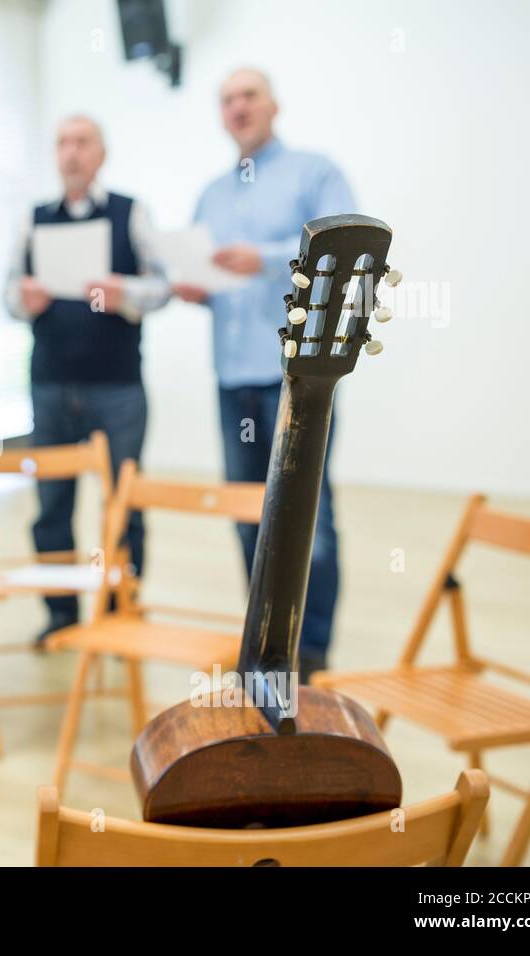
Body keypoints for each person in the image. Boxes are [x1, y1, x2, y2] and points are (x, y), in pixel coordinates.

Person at [173, 68, 356, 679]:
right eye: (226, 99)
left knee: (310, 514)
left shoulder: (314, 172)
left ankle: (312, 649)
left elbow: (345, 248)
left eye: (248, 94)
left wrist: (269, 257)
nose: (238, 107)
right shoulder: (210, 194)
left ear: (274, 104)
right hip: (231, 377)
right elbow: (209, 271)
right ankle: (268, 640)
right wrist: (198, 287)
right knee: (247, 509)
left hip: (297, 377)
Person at [5, 114, 170, 643]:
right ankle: (60, 617)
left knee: (124, 501)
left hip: (117, 385)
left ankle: (123, 610)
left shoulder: (131, 212)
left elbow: (164, 286)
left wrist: (123, 292)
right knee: (52, 505)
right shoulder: (33, 219)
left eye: (82, 143)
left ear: (101, 153)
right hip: (51, 384)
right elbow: (8, 293)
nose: (71, 153)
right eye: (62, 144)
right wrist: (22, 300)